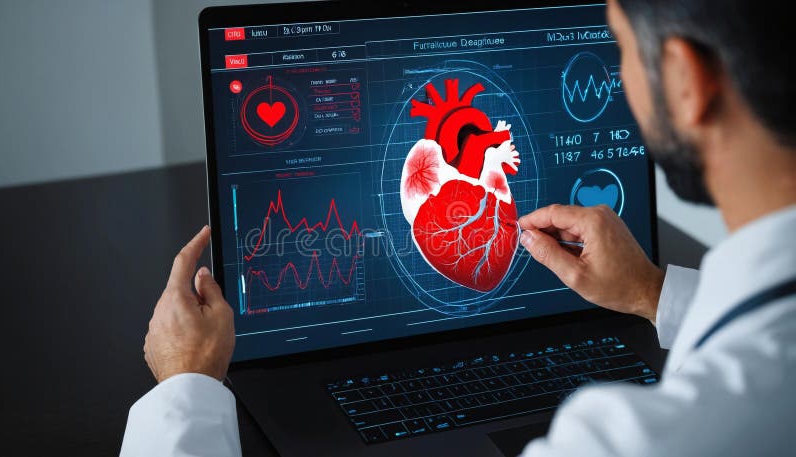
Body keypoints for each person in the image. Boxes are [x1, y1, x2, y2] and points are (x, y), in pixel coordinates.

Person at [120, 0, 796, 455]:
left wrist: (185, 388)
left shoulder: (626, 440)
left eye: (618, 45)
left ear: (684, 79)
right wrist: (651, 294)